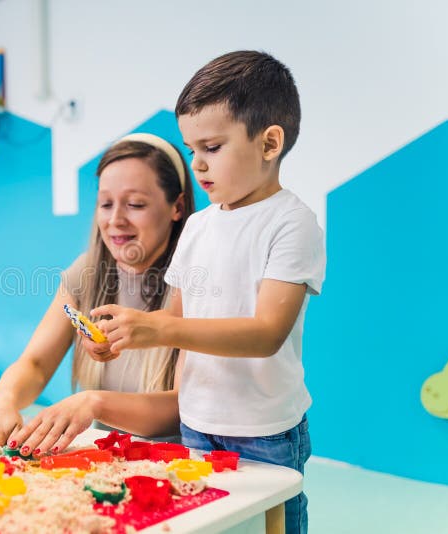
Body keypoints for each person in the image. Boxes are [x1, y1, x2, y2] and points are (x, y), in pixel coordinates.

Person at [91, 51, 325, 534]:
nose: (196, 164)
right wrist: (121, 336)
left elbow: (265, 334)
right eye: (190, 148)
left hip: (266, 429)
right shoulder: (197, 226)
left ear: (270, 143)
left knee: (272, 524)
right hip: (196, 420)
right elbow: (179, 323)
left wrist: (154, 325)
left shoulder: (292, 223)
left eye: (212, 147)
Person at [0, 133, 194, 456]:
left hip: (174, 463)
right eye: (105, 204)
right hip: (108, 460)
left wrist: (93, 403)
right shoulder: (86, 273)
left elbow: (181, 409)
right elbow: (36, 364)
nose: (115, 221)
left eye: (136, 204)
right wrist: (2, 399)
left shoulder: (194, 283)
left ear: (177, 207)